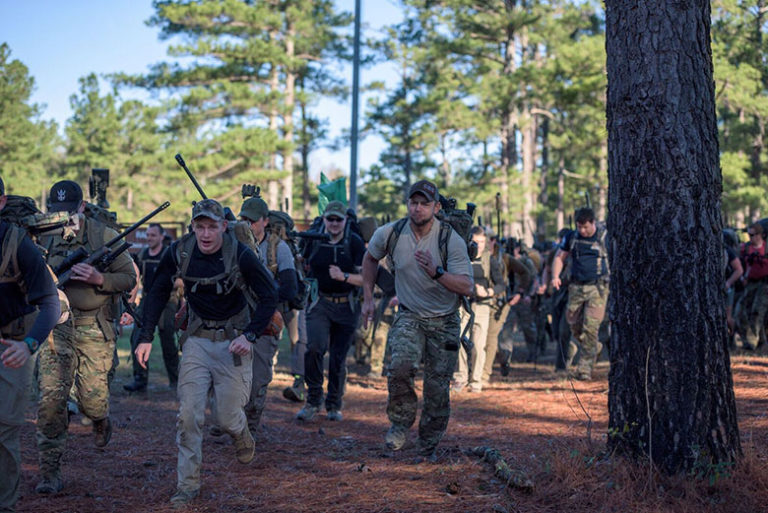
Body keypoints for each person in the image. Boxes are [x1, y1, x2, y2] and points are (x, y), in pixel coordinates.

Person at [135, 199, 277, 507]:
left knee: (227, 419)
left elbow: (269, 295)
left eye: (212, 226)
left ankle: (241, 433)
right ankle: (187, 486)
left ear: (224, 227)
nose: (206, 234)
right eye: (200, 227)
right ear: (192, 228)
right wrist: (146, 336)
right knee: (188, 415)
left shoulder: (240, 254)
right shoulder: (181, 252)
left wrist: (250, 335)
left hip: (233, 340)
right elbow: (157, 290)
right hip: (197, 339)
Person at [35, 180, 136, 494]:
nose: (63, 217)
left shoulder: (102, 235)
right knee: (51, 401)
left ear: (81, 207)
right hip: (55, 326)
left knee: (92, 402)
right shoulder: (41, 236)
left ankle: (100, 418)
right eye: (57, 212)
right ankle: (49, 472)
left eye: (69, 211)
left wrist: (99, 278)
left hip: (94, 325)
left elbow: (130, 277)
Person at [362, 180, 473, 462]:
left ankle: (428, 444)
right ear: (407, 204)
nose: (418, 208)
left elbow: (465, 286)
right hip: (409, 314)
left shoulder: (450, 239)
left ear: (436, 207)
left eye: (425, 203)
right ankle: (400, 423)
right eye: (414, 202)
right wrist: (367, 298)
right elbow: (370, 258)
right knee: (399, 367)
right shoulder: (391, 233)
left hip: (445, 320)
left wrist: (437, 272)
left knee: (437, 387)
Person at [0, 177, 61, 513]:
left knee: (5, 432)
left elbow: (50, 305)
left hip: (12, 347)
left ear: (1, 202)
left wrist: (28, 345)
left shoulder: (18, 244)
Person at [296, 201, 365, 422]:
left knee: (338, 357)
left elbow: (366, 279)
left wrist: (343, 277)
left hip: (347, 304)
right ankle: (313, 400)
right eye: (330, 219)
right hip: (320, 302)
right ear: (324, 219)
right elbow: (300, 262)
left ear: (346, 221)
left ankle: (334, 404)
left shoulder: (354, 242)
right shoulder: (314, 239)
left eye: (339, 220)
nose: (334, 224)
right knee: (315, 348)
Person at [238, 196, 297, 433]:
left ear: (265, 221)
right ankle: (231, 419)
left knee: (258, 377)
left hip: (265, 321)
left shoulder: (277, 248)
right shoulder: (233, 244)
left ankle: (249, 428)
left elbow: (290, 288)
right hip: (236, 318)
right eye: (243, 220)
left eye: (252, 221)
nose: (247, 225)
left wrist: (265, 298)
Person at [550, 207, 609, 380]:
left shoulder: (604, 236)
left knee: (591, 328)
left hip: (597, 288)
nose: (582, 231)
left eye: (586, 227)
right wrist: (555, 276)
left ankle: (584, 370)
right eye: (579, 227)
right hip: (576, 287)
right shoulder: (571, 237)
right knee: (574, 324)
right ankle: (594, 348)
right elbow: (560, 257)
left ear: (593, 223)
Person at [124, 223, 180, 392]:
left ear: (161, 237)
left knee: (168, 341)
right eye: (148, 235)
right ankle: (140, 379)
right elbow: (135, 275)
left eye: (153, 235)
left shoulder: (169, 254)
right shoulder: (143, 255)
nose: (149, 238)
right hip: (148, 300)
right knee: (138, 338)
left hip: (168, 301)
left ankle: (175, 380)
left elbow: (180, 280)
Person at [453, 226, 504, 393]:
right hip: (462, 303)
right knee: (460, 340)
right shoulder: (461, 257)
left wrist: (488, 292)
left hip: (482, 305)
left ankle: (476, 381)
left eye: (482, 242)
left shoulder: (490, 260)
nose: (479, 245)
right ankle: (460, 377)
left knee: (478, 345)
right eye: (476, 242)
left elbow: (501, 285)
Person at [737, 222, 768, 350]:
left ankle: (752, 343)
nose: (750, 237)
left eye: (752, 234)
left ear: (761, 235)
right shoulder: (745, 248)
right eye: (748, 234)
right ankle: (759, 341)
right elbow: (738, 265)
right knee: (742, 311)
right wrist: (742, 277)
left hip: (765, 283)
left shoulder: (766, 248)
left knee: (757, 311)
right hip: (750, 283)